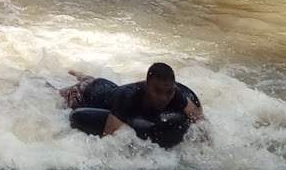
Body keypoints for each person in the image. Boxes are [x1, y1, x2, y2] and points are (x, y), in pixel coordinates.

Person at [59, 62, 205, 148]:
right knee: (57, 95)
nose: (163, 98)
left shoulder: (173, 93)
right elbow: (108, 139)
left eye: (168, 92)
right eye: (157, 91)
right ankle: (69, 77)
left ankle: (80, 74)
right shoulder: (128, 97)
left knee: (92, 80)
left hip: (110, 87)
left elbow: (199, 118)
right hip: (90, 92)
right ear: (147, 86)